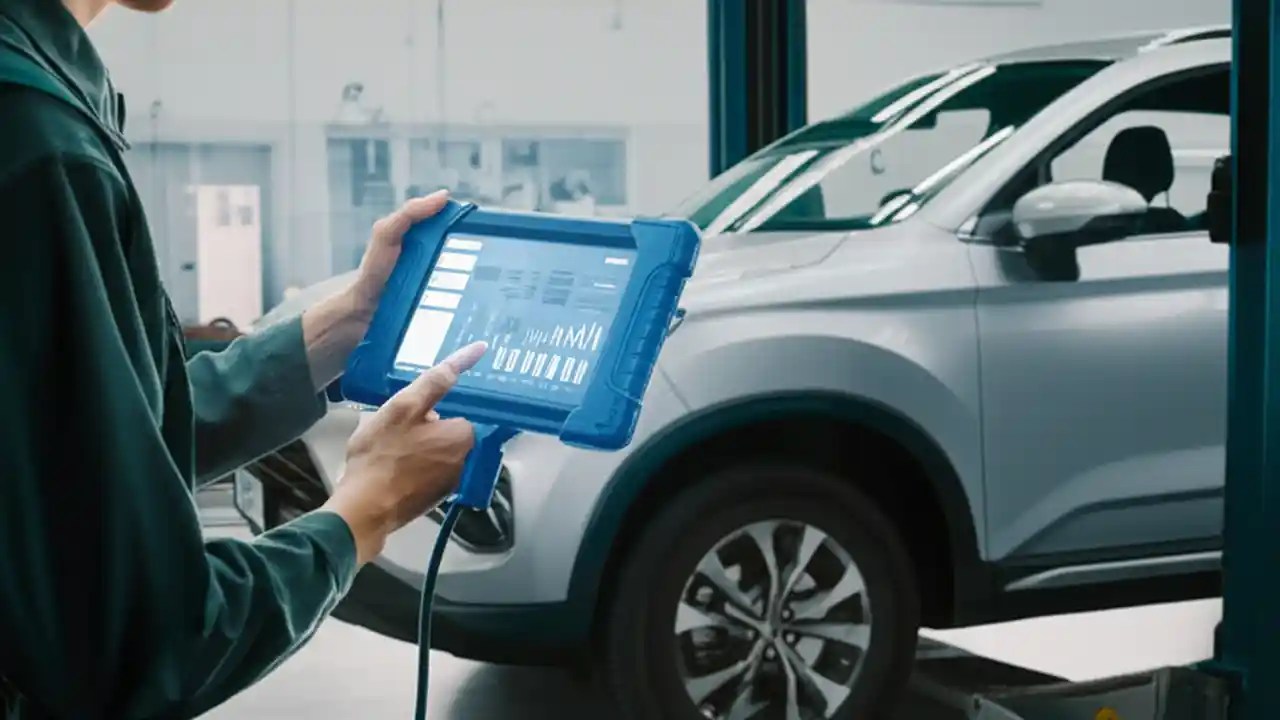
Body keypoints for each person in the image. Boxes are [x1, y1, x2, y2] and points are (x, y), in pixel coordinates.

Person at [0, 1, 487, 717]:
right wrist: (363, 511)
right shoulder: (37, 144)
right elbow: (140, 644)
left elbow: (82, 439)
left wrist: (348, 321)